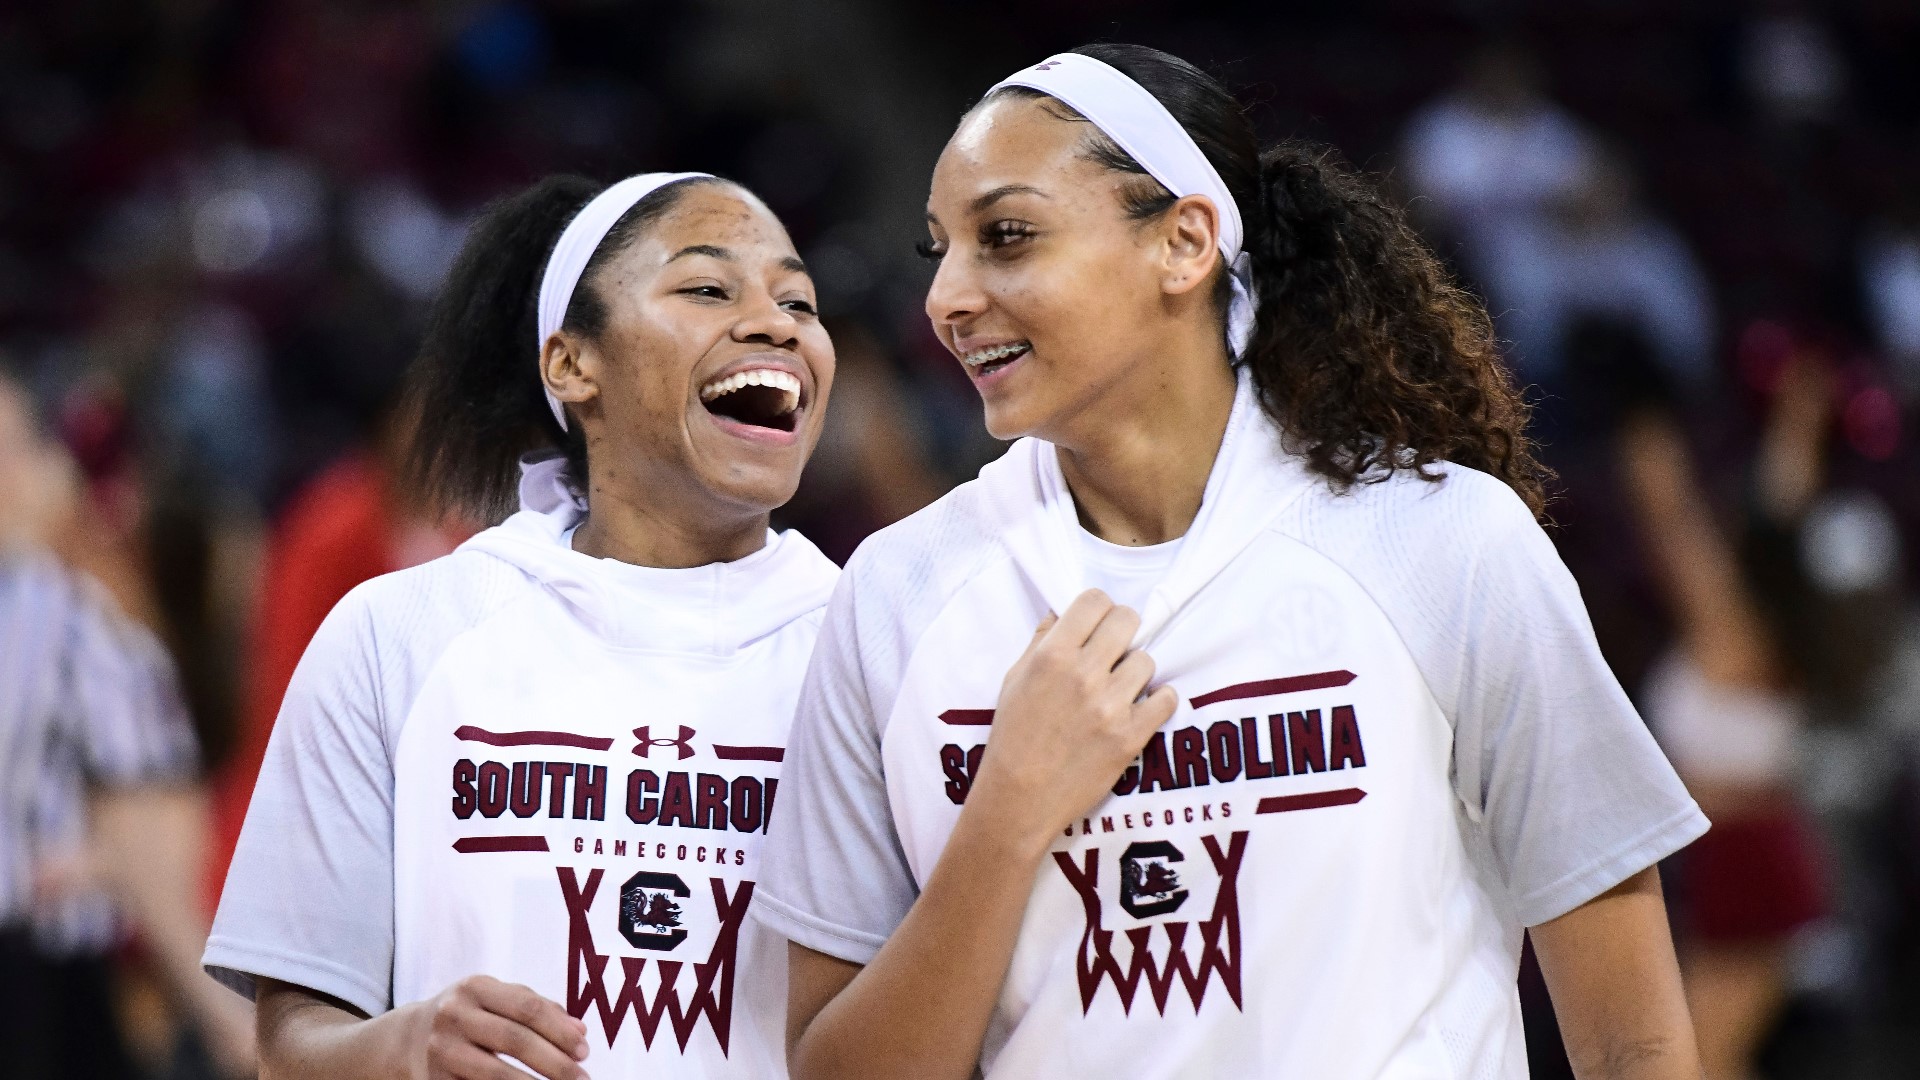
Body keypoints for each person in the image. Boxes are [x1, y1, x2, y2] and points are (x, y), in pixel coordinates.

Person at [760, 45, 1710, 1080]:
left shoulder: (1444, 545)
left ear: (1185, 241)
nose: (946, 297)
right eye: (939, 249)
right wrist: (1005, 819)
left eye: (1008, 237)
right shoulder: (899, 594)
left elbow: (1635, 1041)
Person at [203, 171, 840, 1079]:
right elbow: (291, 1045)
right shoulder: (401, 635)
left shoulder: (873, 645)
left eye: (801, 301)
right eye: (707, 287)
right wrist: (404, 1045)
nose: (777, 323)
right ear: (571, 364)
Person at [0, 369, 255, 1079]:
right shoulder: (70, 626)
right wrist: (229, 1022)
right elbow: (149, 847)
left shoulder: (72, 618)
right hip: (36, 988)